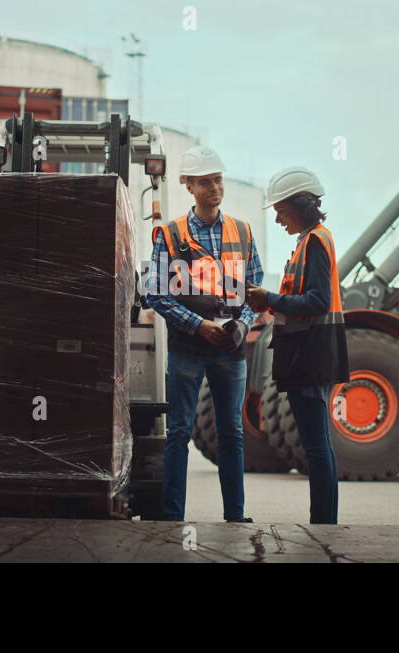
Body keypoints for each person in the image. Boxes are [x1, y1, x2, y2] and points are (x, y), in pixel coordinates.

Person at [146, 146, 264, 523]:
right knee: (179, 432)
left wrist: (241, 325)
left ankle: (236, 516)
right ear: (189, 186)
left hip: (230, 349)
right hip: (187, 348)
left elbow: (256, 289)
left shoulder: (242, 232)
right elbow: (155, 292)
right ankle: (171, 516)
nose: (215, 188)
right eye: (206, 182)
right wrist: (198, 325)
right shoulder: (171, 233)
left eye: (218, 180)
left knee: (232, 433)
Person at [245, 167, 349, 524]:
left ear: (299, 206)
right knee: (317, 443)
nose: (276, 218)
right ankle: (324, 522)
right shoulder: (310, 241)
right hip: (309, 349)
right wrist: (270, 301)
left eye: (280, 210)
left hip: (312, 351)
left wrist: (269, 297)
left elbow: (317, 301)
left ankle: (323, 524)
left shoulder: (316, 241)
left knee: (317, 445)